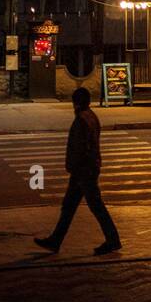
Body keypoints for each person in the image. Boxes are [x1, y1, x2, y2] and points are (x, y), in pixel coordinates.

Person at [35, 87, 122, 255]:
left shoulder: (81, 120)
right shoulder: (91, 116)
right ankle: (55, 240)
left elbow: (80, 148)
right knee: (69, 206)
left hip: (84, 171)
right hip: (85, 169)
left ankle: (113, 240)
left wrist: (72, 165)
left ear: (77, 102)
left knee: (95, 206)